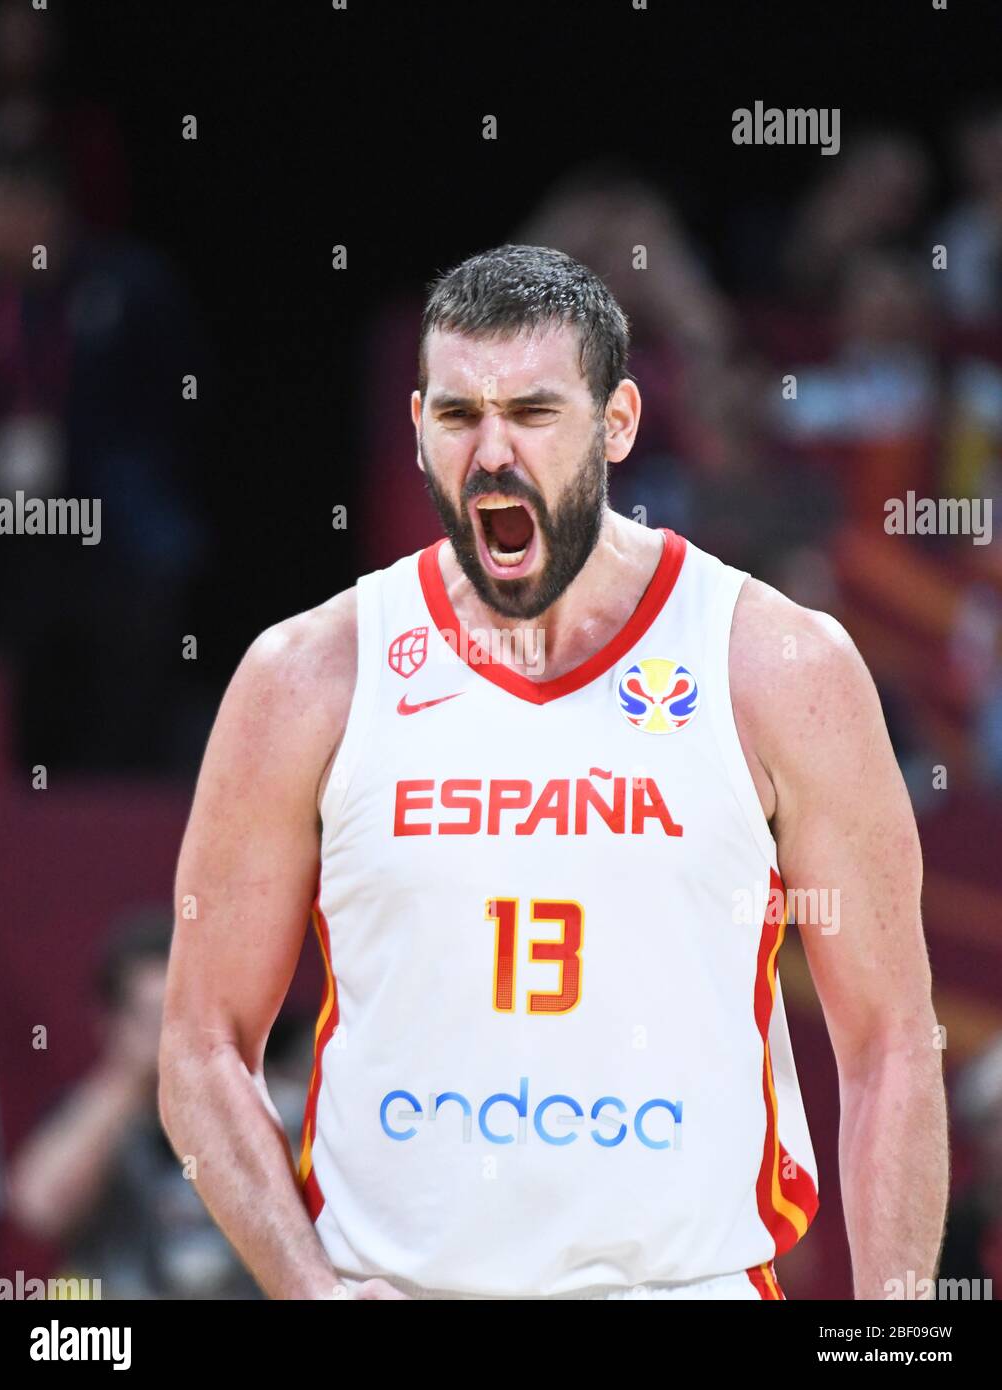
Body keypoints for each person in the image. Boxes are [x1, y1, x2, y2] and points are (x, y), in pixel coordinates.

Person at [159, 245, 947, 1300]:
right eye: (456, 416)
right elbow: (200, 1046)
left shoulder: (774, 664)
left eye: (531, 413)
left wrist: (893, 1327)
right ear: (416, 425)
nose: (490, 453)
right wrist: (310, 1294)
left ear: (616, 422)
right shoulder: (307, 676)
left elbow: (890, 1042)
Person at [7, 909, 260, 1299]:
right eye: (155, 1015)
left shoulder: (251, 1101)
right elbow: (40, 1210)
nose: (172, 1033)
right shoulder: (87, 1113)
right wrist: (128, 1078)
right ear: (111, 1024)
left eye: (183, 1011)